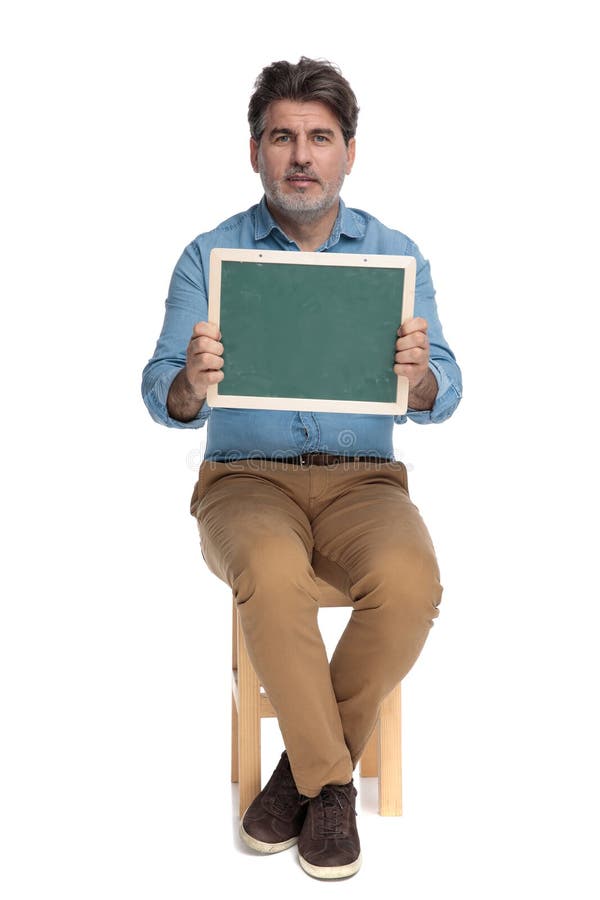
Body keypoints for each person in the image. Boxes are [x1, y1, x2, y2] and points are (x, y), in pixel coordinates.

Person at [141, 56, 462, 881]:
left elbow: (446, 390)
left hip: (365, 481)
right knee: (274, 573)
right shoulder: (209, 255)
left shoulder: (396, 255)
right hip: (247, 480)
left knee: (412, 582)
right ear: (255, 151)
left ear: (349, 152)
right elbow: (159, 392)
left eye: (320, 138)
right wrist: (190, 381)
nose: (301, 156)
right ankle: (334, 787)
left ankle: (299, 775)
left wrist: (419, 372)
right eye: (282, 137)